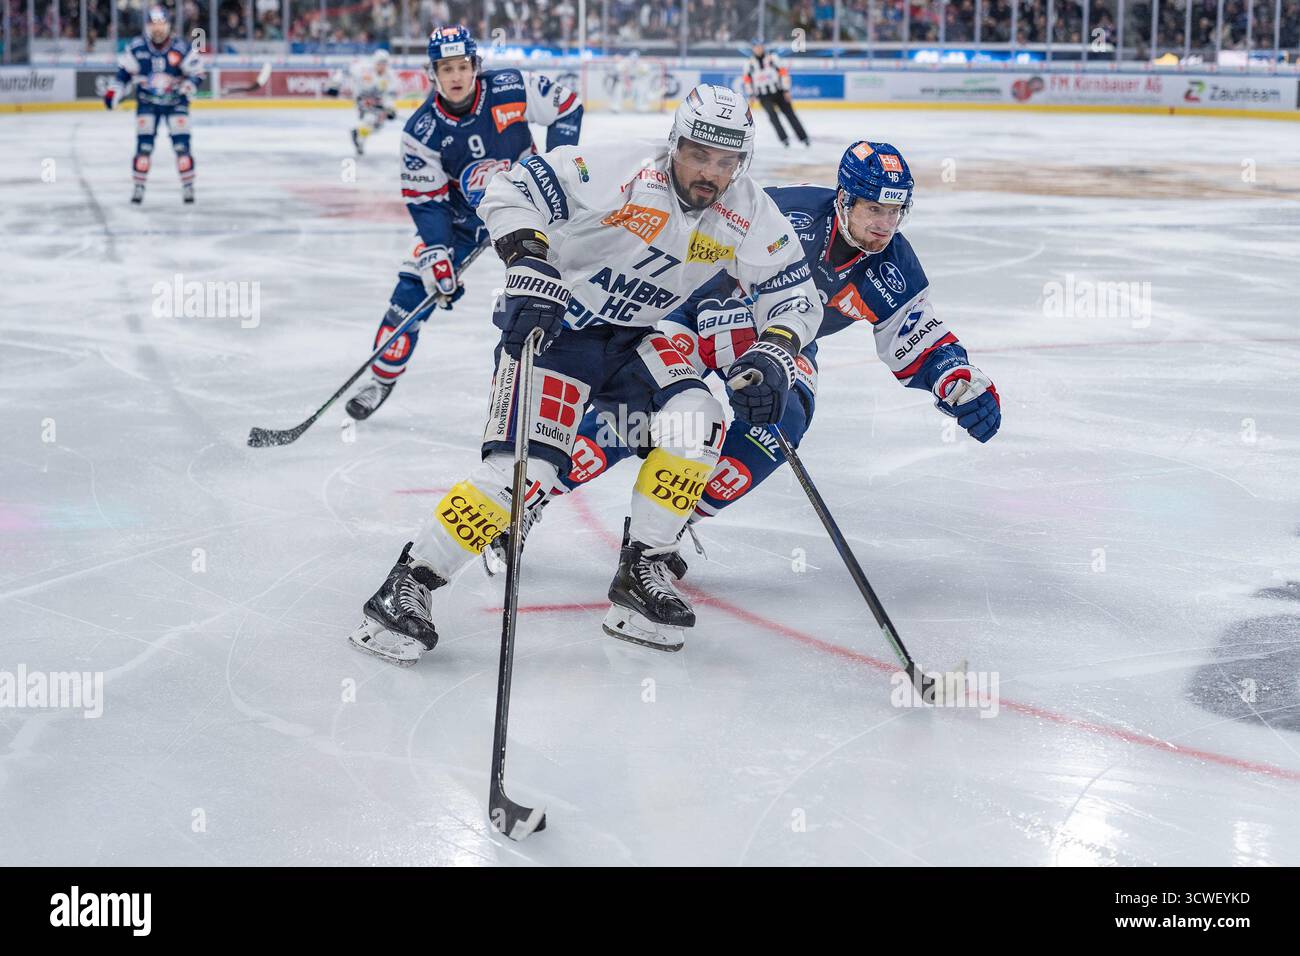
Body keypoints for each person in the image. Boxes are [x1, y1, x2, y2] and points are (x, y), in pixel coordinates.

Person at [347, 83, 823, 665]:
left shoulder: (746, 208)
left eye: (726, 161)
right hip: (558, 326)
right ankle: (409, 585)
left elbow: (794, 294)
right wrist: (528, 262)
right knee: (523, 476)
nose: (711, 172)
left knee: (696, 422)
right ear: (675, 143)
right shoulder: (619, 167)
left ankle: (642, 570)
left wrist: (774, 352)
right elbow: (510, 188)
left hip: (638, 337)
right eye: (699, 154)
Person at [492, 141, 1002, 577]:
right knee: (637, 416)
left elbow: (917, 336)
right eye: (874, 210)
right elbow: (695, 237)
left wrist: (957, 380)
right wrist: (718, 303)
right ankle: (528, 499)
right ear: (845, 199)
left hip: (783, 342)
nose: (884, 224)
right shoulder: (790, 211)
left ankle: (668, 524)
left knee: (784, 421)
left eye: (895, 212)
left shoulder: (893, 265)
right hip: (692, 313)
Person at [343, 25, 584, 422]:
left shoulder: (511, 86)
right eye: (445, 68)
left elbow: (567, 106)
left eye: (462, 66)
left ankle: (576, 378)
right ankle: (380, 378)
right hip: (462, 220)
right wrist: (437, 250)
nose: (455, 76)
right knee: (414, 286)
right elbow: (427, 201)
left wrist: (556, 170)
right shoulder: (421, 132)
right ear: (432, 73)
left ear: (476, 66)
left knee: (568, 282)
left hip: (530, 205)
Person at [104, 7, 205, 205]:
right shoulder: (137, 48)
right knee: (144, 148)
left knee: (181, 147)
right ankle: (139, 187)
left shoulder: (181, 48)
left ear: (168, 26)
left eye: (161, 24)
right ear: (147, 26)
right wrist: (114, 92)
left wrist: (189, 84)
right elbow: (123, 75)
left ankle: (188, 186)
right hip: (147, 104)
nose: (158, 29)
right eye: (154, 25)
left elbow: (197, 72)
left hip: (176, 104)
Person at [326, 48, 399, 156]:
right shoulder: (362, 69)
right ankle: (359, 138)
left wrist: (390, 109)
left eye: (385, 63)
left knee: (377, 126)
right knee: (370, 119)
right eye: (380, 63)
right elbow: (345, 71)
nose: (382, 66)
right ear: (375, 62)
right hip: (362, 99)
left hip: (377, 102)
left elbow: (390, 95)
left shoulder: (390, 76)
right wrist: (335, 85)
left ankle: (358, 136)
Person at [742, 40, 809, 149]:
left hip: (779, 92)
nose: (758, 49)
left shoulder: (773, 58)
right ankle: (784, 139)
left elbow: (783, 74)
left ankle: (803, 137)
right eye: (756, 47)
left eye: (760, 47)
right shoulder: (749, 63)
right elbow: (747, 80)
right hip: (763, 96)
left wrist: (786, 90)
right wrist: (751, 95)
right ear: (753, 49)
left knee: (790, 114)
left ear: (763, 47)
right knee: (773, 117)